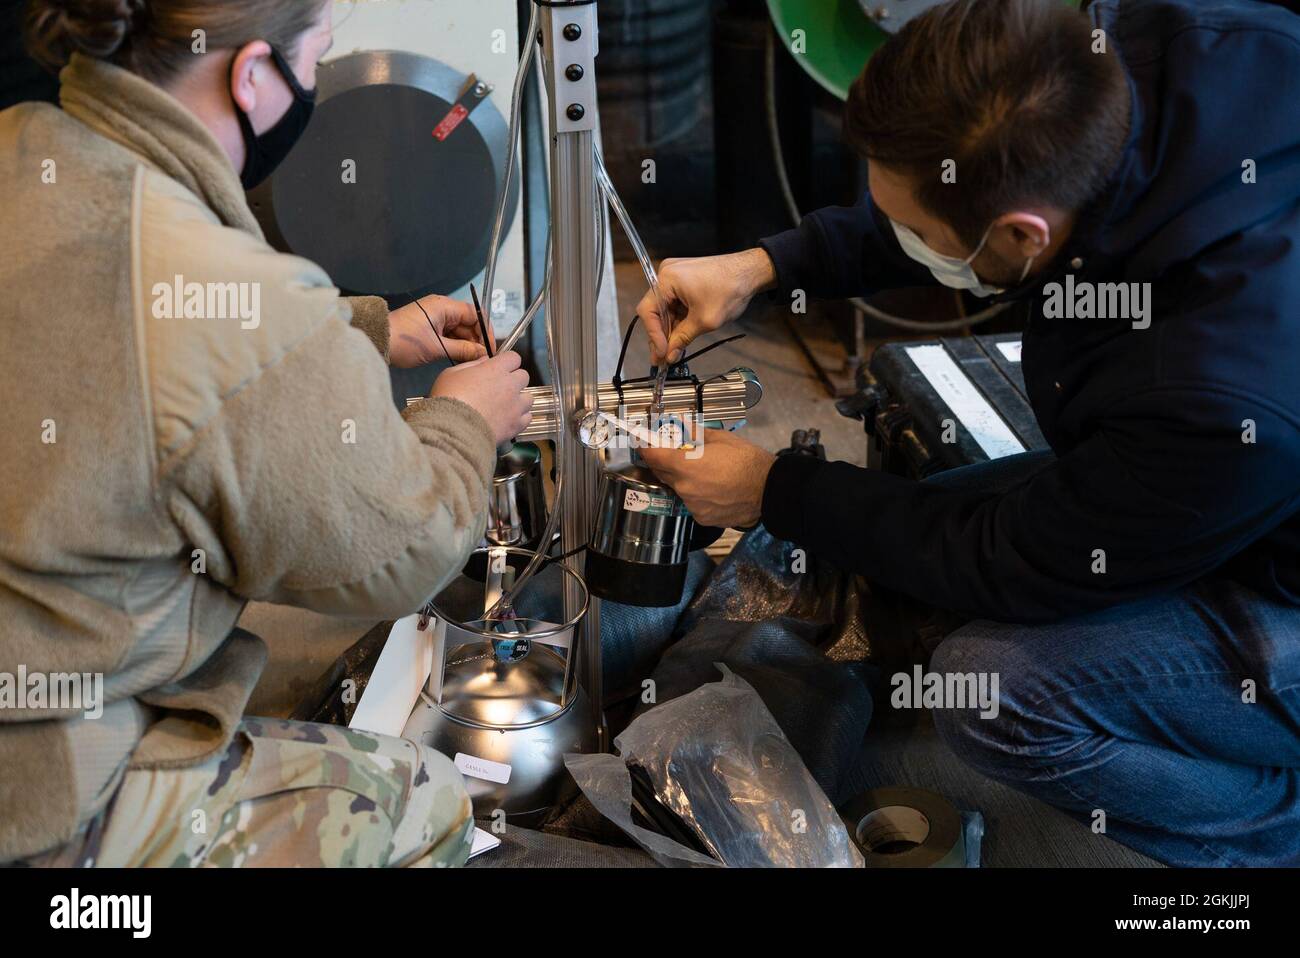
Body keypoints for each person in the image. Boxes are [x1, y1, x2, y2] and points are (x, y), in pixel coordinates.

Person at [638, 0, 1300, 866]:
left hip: (1277, 562)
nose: (906, 238)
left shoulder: (1215, 395)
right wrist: (770, 264)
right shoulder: (1134, 52)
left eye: (918, 233)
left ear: (1027, 235)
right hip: (1218, 478)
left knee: (995, 690)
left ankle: (1266, 825)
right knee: (900, 538)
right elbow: (950, 193)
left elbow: (1009, 558)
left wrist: (770, 489)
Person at [0, 0, 532, 867]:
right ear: (250, 75)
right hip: (42, 806)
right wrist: (465, 423)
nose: (318, 81)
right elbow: (408, 545)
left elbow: (135, 343)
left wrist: (360, 330)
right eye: (317, 54)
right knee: (422, 797)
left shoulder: (24, 147)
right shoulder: (239, 298)